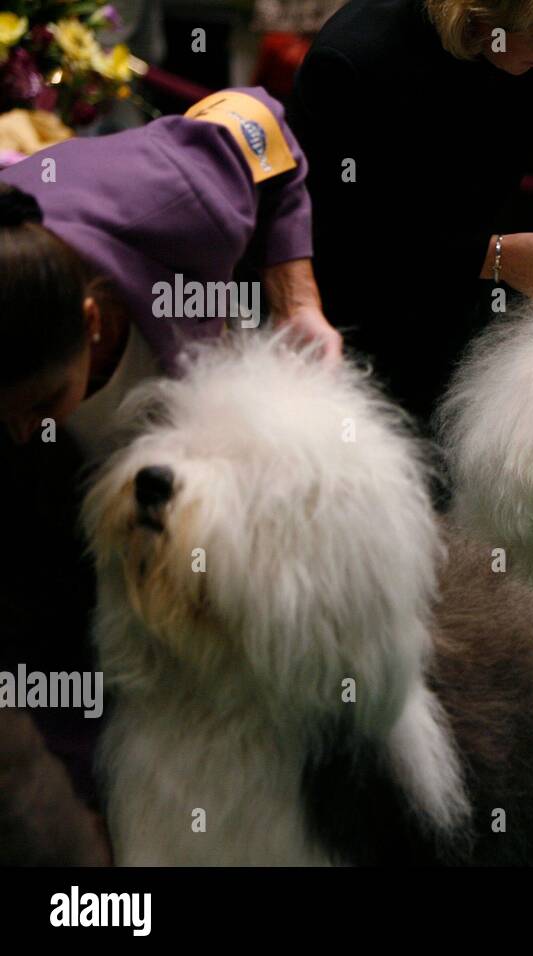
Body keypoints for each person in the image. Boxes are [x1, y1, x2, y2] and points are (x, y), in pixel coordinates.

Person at [0, 86, 340, 863]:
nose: (22, 431)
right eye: (5, 414)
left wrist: (298, 296)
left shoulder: (173, 193)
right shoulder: (22, 430)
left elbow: (261, 118)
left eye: (41, 405)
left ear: (94, 324)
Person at [289, 0, 533, 423]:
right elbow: (335, 236)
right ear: (479, 19)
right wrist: (493, 257)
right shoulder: (353, 59)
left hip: (464, 318)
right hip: (350, 325)